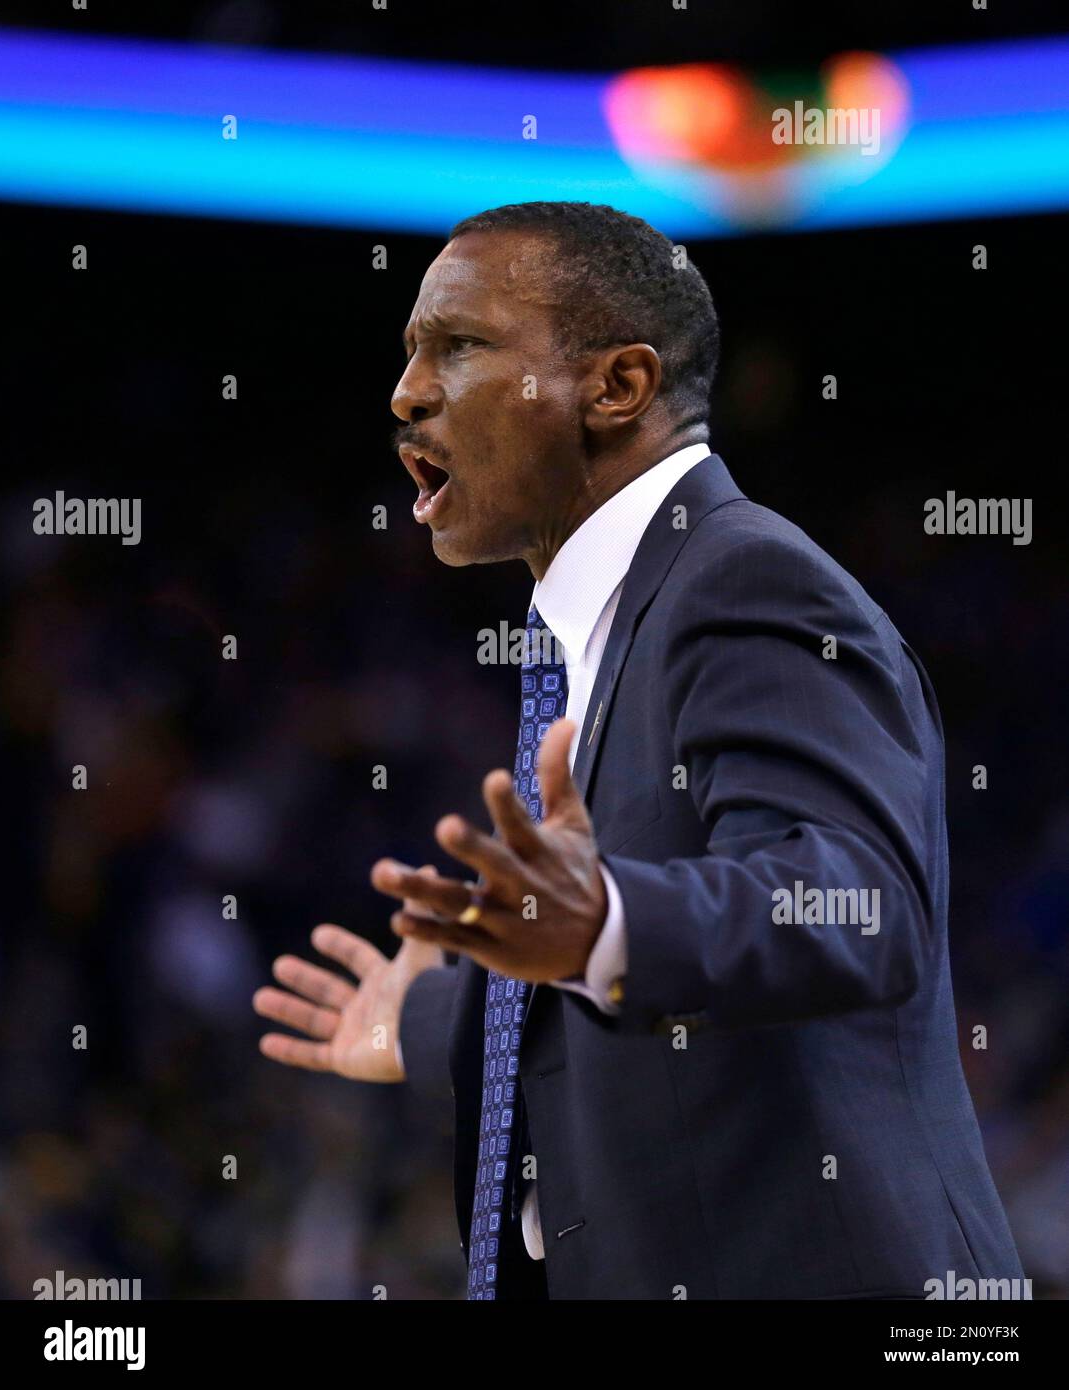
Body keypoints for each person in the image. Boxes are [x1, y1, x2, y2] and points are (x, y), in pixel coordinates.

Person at [253, 201, 1024, 1300]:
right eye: (409, 350)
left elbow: (858, 901)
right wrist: (426, 1019)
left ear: (616, 388)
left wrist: (605, 920)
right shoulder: (598, 634)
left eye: (459, 345)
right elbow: (619, 999)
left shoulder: (744, 577)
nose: (408, 391)